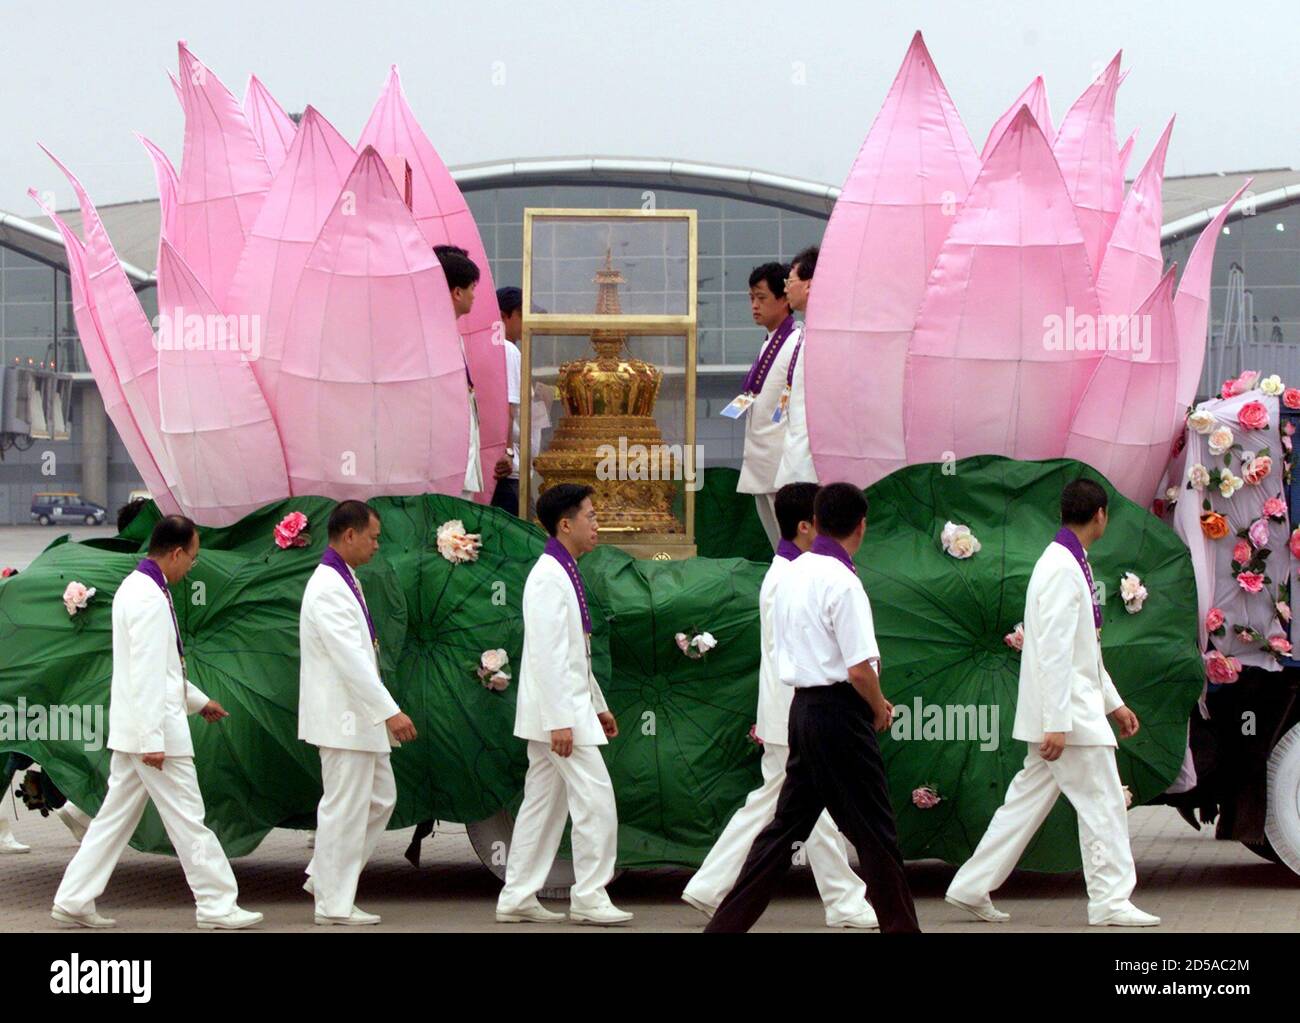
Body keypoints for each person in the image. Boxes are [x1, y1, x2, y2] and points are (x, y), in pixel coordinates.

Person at [705, 482, 919, 933]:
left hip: (803, 711)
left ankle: (724, 928)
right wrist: (878, 707)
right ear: (861, 527)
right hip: (840, 715)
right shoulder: (843, 580)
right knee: (878, 837)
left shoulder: (791, 573)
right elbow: (860, 669)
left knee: (782, 833)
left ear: (817, 523)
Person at [945, 479, 1159, 927]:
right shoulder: (1063, 567)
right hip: (1070, 718)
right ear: (1099, 515)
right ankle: (1110, 900)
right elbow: (1058, 652)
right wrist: (1058, 722)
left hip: (1069, 711)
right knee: (1103, 806)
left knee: (1023, 805)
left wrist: (1114, 704)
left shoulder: (1064, 560)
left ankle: (970, 886)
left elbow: (1083, 651)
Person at [51, 516, 262, 930]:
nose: (192, 568)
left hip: (139, 729)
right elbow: (148, 671)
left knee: (113, 821)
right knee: (188, 818)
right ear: (177, 552)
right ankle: (217, 904)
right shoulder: (148, 596)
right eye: (193, 559)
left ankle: (74, 899)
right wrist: (153, 738)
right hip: (154, 731)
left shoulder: (140, 587)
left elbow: (158, 668)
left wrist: (198, 701)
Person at [496, 484, 630, 926]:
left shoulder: (562, 569)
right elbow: (548, 655)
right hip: (558, 714)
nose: (597, 525)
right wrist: (561, 721)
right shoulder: (549, 575)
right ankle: (590, 895)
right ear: (565, 524)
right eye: (590, 516)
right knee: (596, 802)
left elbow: (576, 651)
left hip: (566, 709)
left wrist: (598, 703)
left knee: (542, 805)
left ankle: (516, 895)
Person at [300, 500, 417, 926]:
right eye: (373, 537)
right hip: (343, 718)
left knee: (381, 799)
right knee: (343, 807)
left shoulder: (344, 577)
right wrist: (391, 711)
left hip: (356, 717)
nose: (376, 546)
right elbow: (350, 658)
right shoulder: (329, 585)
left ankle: (324, 876)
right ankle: (333, 901)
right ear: (349, 535)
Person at [733, 262, 799, 549]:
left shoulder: (798, 340)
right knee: (780, 546)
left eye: (762, 298)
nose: (755, 306)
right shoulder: (768, 342)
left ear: (784, 298)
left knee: (794, 544)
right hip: (762, 456)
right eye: (751, 298)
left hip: (782, 460)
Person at [434, 244, 485, 501]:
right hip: (445, 464)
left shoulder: (453, 336)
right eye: (471, 289)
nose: (474, 296)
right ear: (456, 292)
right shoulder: (434, 338)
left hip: (461, 460)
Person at [774, 246, 820, 489]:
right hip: (796, 441)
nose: (785, 288)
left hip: (811, 449)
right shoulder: (804, 331)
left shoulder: (824, 335)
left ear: (809, 285)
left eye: (789, 281)